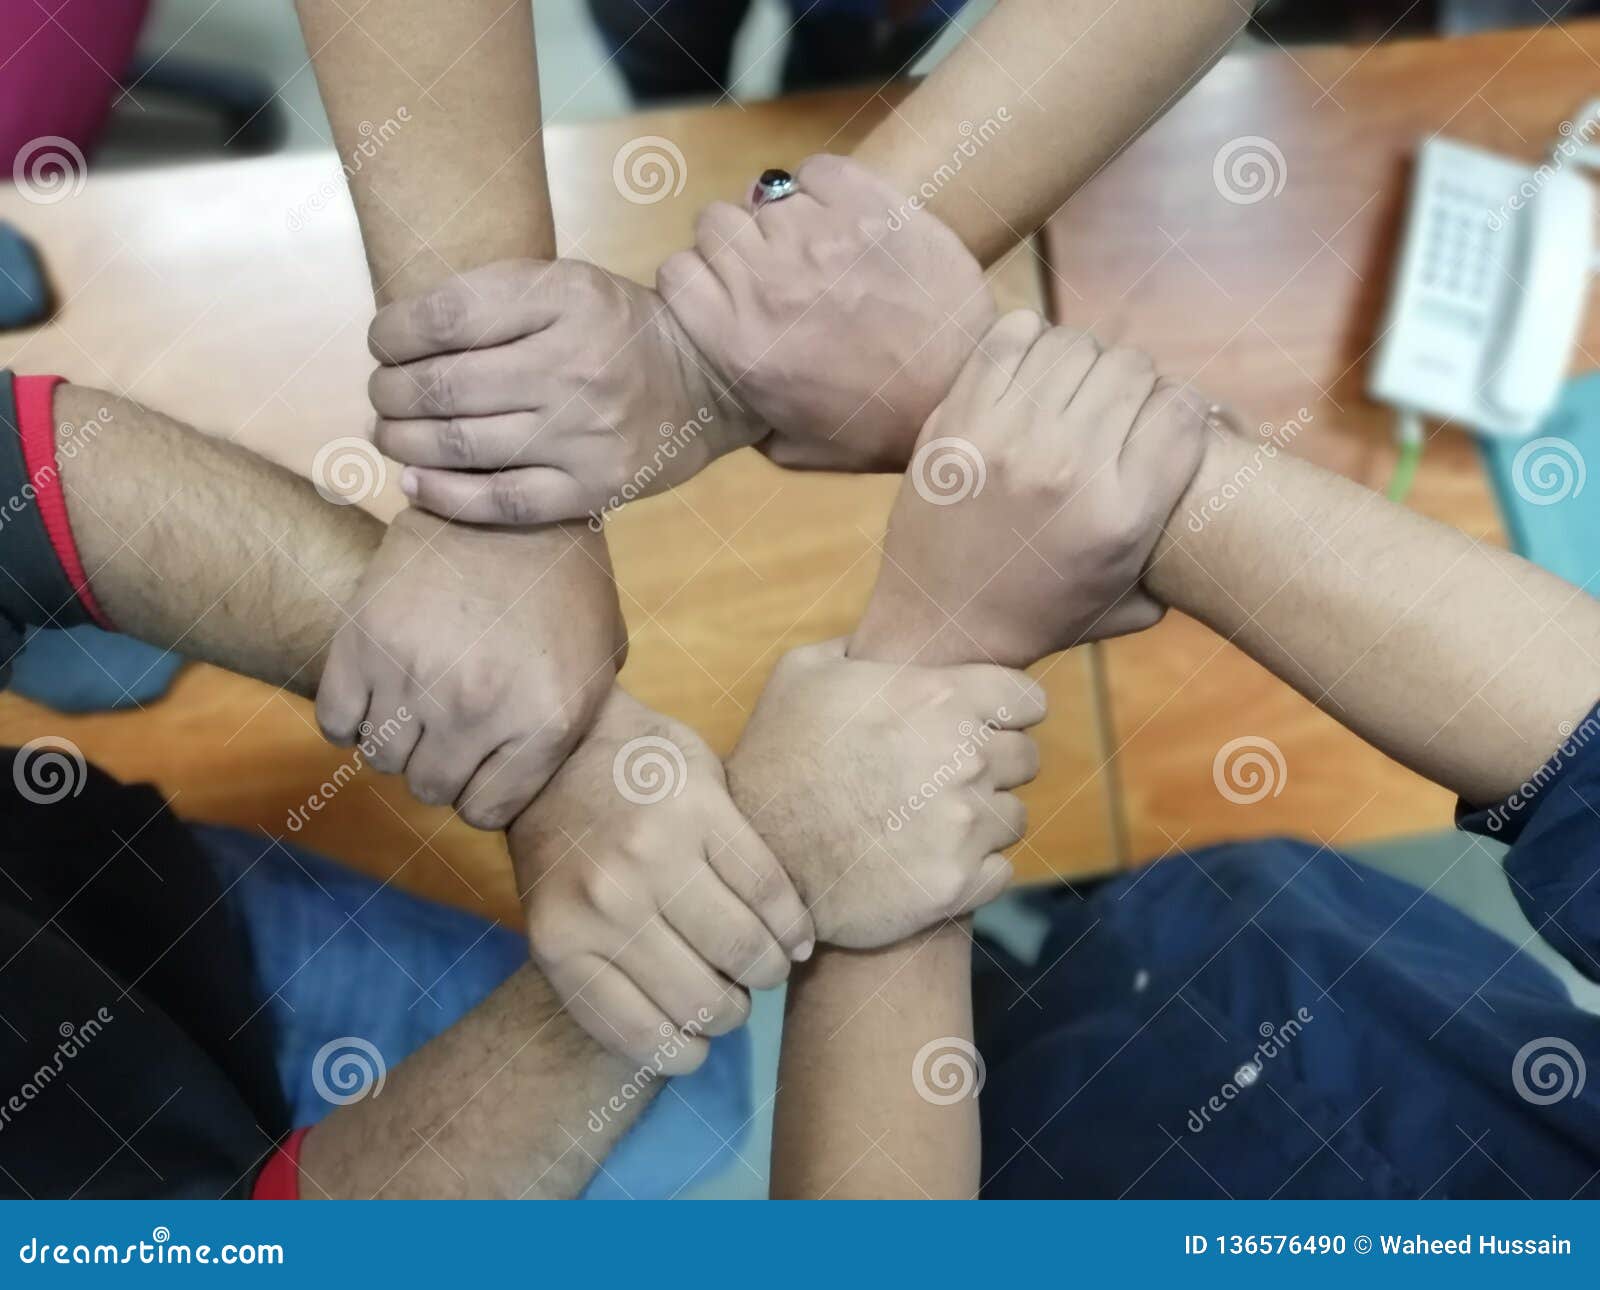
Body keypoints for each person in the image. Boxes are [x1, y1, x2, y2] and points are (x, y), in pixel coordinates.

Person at [0, 370, 1045, 1197]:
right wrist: (758, 857)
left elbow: (29, 480)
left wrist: (558, 754)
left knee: (703, 1097)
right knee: (692, 1115)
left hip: (141, 913)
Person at [764, 322, 1600, 1199]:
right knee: (1065, 935)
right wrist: (1147, 471)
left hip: (1043, 1163)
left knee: (980, 1013)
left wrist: (915, 688)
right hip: (1291, 946)